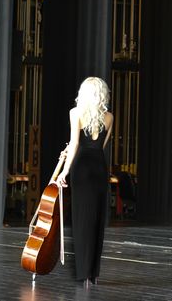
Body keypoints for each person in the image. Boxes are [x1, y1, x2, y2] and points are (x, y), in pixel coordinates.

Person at [57, 77, 113, 287]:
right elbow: (102, 145)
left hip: (82, 169)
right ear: (102, 94)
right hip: (99, 167)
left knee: (81, 222)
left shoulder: (75, 113)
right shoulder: (109, 118)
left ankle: (83, 273)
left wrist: (64, 171)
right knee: (98, 220)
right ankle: (94, 274)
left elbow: (75, 144)